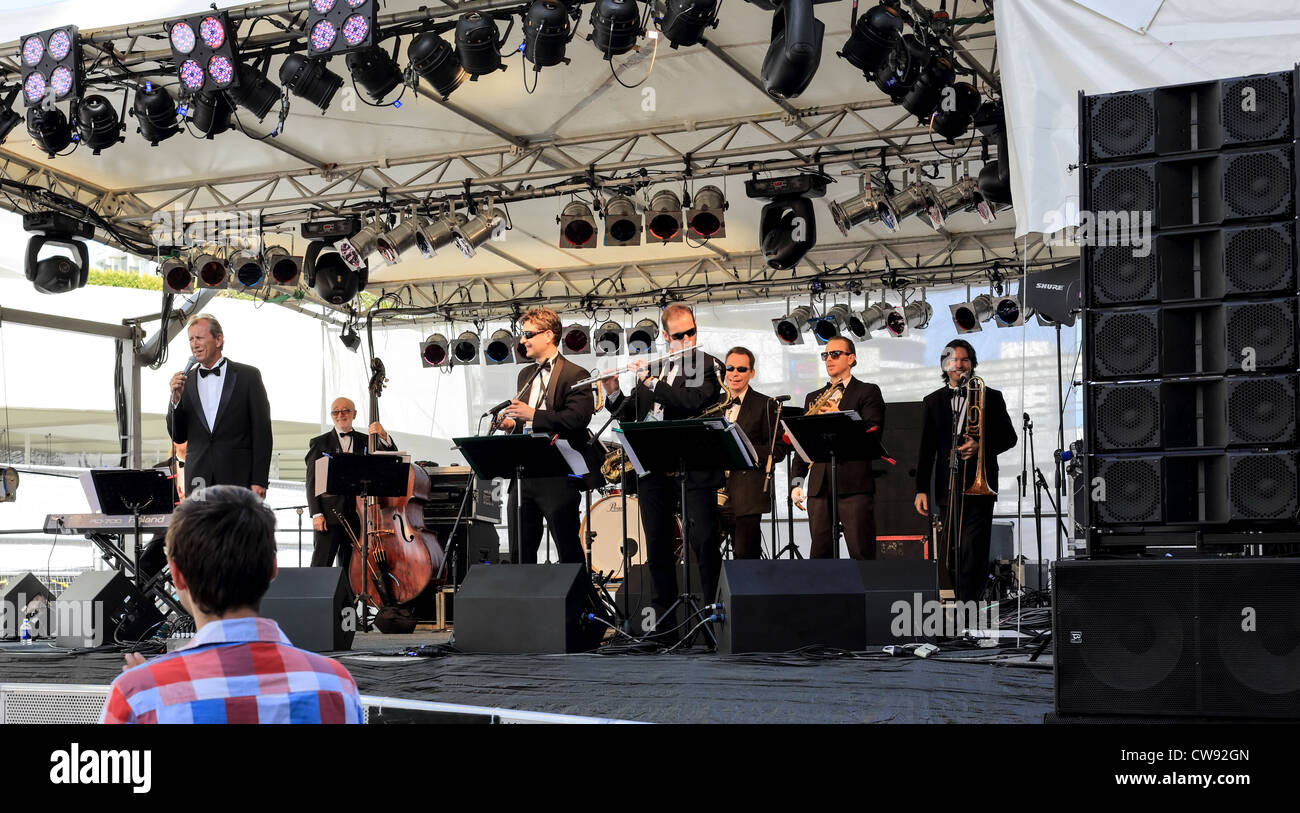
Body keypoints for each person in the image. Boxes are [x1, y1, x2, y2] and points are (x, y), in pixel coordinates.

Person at [101, 485, 363, 724]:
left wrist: (147, 689)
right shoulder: (336, 685)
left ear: (177, 575)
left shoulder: (136, 696)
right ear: (272, 569)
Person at [602, 303, 725, 633]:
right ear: (666, 337)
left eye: (692, 332)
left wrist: (652, 381)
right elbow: (634, 418)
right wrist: (614, 393)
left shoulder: (706, 364)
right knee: (658, 545)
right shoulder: (653, 371)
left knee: (704, 542)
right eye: (680, 335)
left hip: (695, 468)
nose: (687, 339)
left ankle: (714, 617)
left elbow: (692, 401)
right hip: (655, 470)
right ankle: (664, 622)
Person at [914, 339, 1017, 601]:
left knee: (974, 547)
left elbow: (1009, 438)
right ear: (944, 365)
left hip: (980, 484)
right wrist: (921, 489)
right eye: (954, 360)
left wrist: (980, 445)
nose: (959, 365)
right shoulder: (933, 401)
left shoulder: (990, 396)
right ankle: (954, 599)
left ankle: (969, 602)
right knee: (951, 548)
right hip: (947, 485)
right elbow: (926, 451)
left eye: (965, 360)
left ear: (972, 364)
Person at [496, 307, 598, 565]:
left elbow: (577, 419)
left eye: (528, 334)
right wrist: (511, 424)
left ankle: (579, 604)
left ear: (548, 335)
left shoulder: (576, 374)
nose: (522, 340)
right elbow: (526, 422)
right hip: (525, 475)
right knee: (520, 550)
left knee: (567, 548)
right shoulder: (525, 374)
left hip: (557, 474)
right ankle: (525, 602)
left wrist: (533, 414)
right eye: (522, 335)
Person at [791, 336, 885, 560]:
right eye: (826, 355)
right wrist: (797, 482)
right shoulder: (813, 397)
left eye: (835, 354)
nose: (829, 359)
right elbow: (803, 444)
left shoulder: (867, 391)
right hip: (819, 487)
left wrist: (839, 417)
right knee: (820, 554)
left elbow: (873, 433)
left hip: (854, 484)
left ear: (851, 358)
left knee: (860, 551)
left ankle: (866, 594)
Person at [167, 314, 273, 498]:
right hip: (198, 478)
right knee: (202, 527)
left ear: (218, 339)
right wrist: (175, 401)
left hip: (238, 475)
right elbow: (178, 435)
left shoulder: (248, 376)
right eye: (191, 339)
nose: (194, 344)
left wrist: (259, 479)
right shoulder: (187, 381)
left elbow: (262, 431)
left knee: (236, 527)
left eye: (199, 338)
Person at [304, 397, 396, 571]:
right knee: (321, 565)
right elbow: (312, 481)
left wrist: (383, 435)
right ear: (332, 416)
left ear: (354, 414)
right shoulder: (319, 443)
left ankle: (347, 600)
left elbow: (391, 459)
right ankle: (317, 599)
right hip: (328, 516)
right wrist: (316, 513)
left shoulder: (367, 440)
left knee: (350, 569)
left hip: (358, 516)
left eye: (345, 410)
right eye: (335, 412)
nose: (340, 415)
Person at [719, 347, 781, 560]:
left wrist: (744, 449)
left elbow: (778, 449)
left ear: (751, 373)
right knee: (700, 553)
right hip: (713, 493)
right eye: (730, 368)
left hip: (747, 494)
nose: (734, 373)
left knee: (746, 558)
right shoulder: (713, 404)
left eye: (741, 369)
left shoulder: (766, 404)